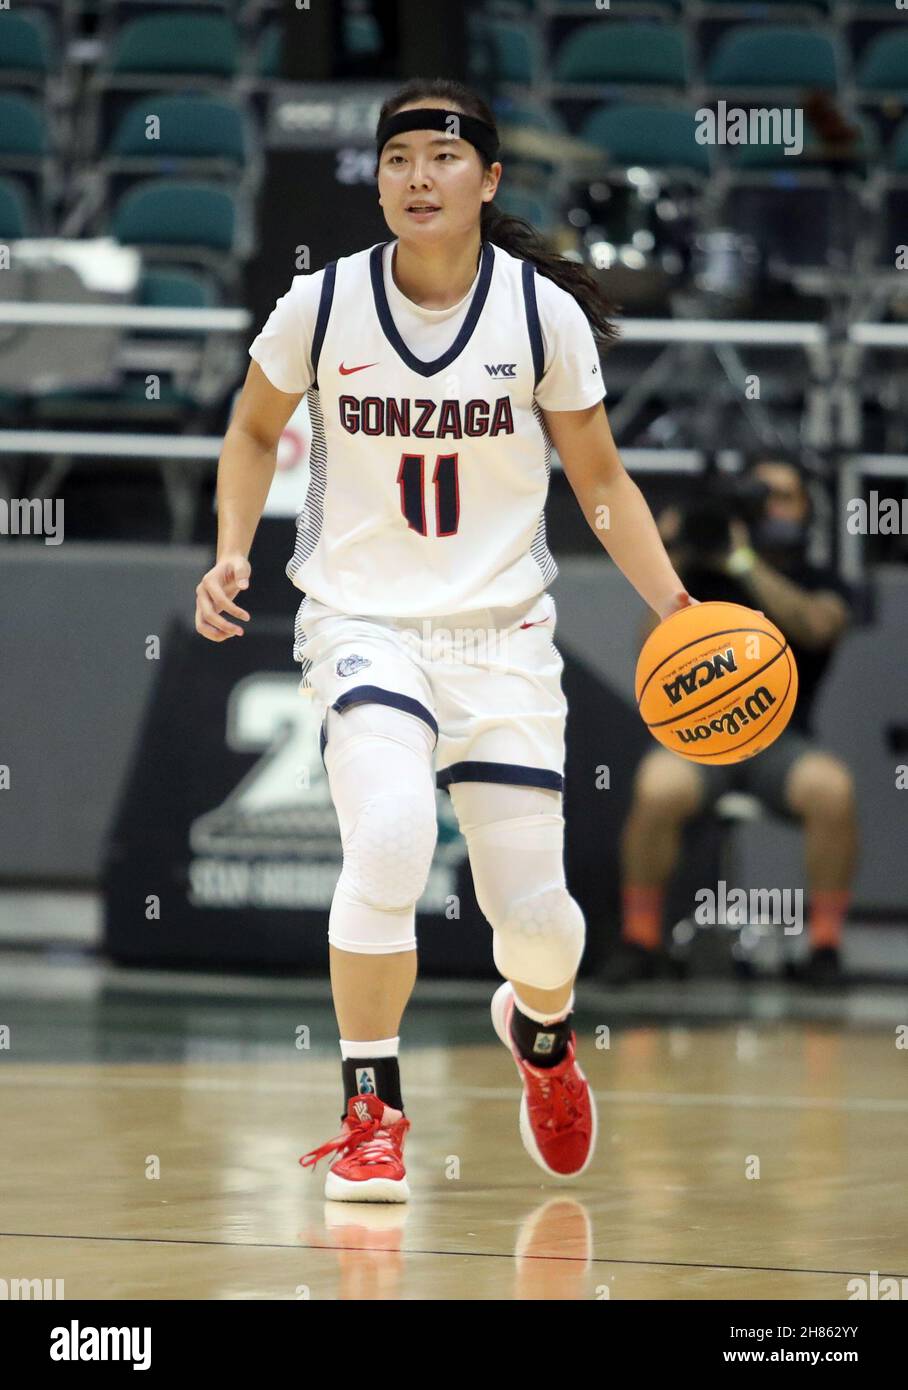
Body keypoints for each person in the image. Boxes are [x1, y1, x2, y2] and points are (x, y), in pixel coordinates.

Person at [194, 77, 696, 1202]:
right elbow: (249, 428)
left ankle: (541, 1033)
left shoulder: (539, 316)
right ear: (376, 180)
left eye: (441, 157)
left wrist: (674, 604)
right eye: (396, 160)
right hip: (363, 624)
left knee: (543, 930)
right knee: (387, 836)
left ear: (489, 179)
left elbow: (599, 478)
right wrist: (230, 546)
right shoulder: (319, 305)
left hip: (501, 639)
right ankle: (371, 1111)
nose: (416, 178)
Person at [608, 456, 859, 989]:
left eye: (783, 495)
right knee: (657, 788)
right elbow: (648, 651)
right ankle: (640, 940)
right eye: (757, 493)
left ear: (807, 509)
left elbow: (817, 628)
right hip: (700, 741)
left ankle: (825, 948)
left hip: (780, 741)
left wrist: (744, 561)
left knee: (832, 790)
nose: (769, 505)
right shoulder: (696, 572)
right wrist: (672, 563)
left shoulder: (816, 576)